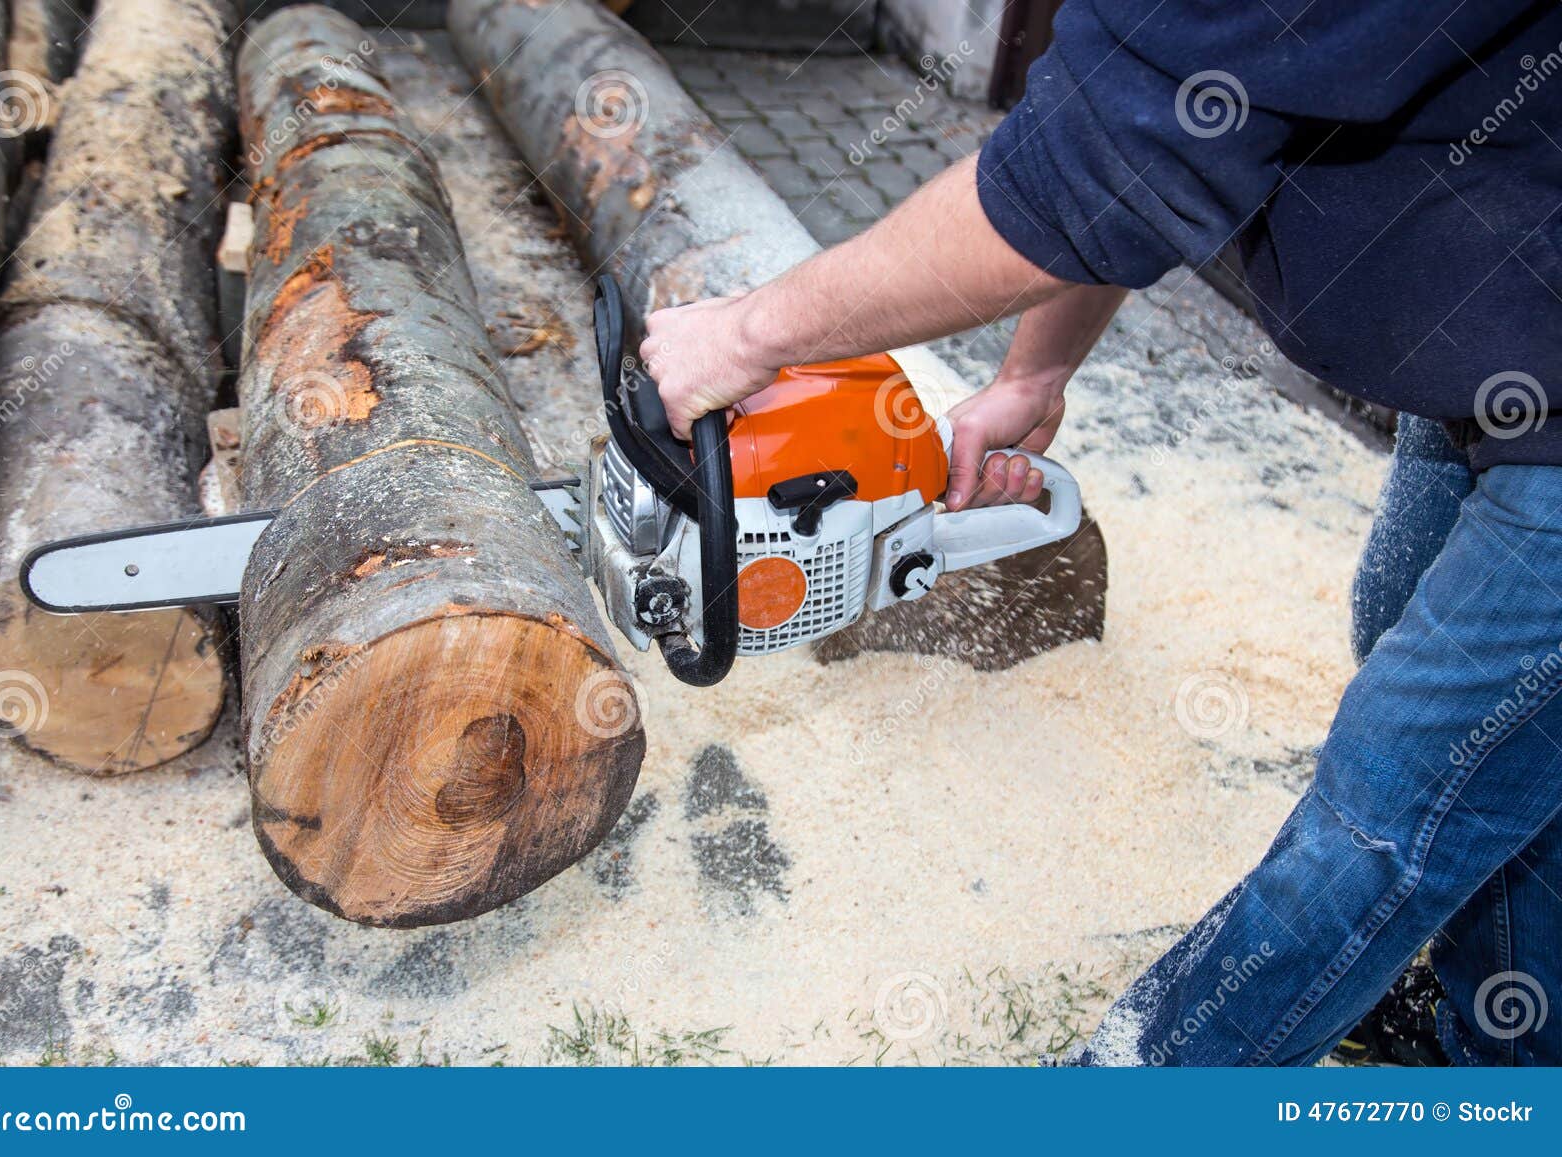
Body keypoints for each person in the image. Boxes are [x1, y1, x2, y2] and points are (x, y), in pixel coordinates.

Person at [641, 1, 1562, 1065]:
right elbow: (1137, 136)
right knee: (1452, 680)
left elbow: (1082, 167)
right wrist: (1038, 368)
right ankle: (1510, 1032)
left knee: (1384, 811)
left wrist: (749, 332)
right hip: (1498, 370)